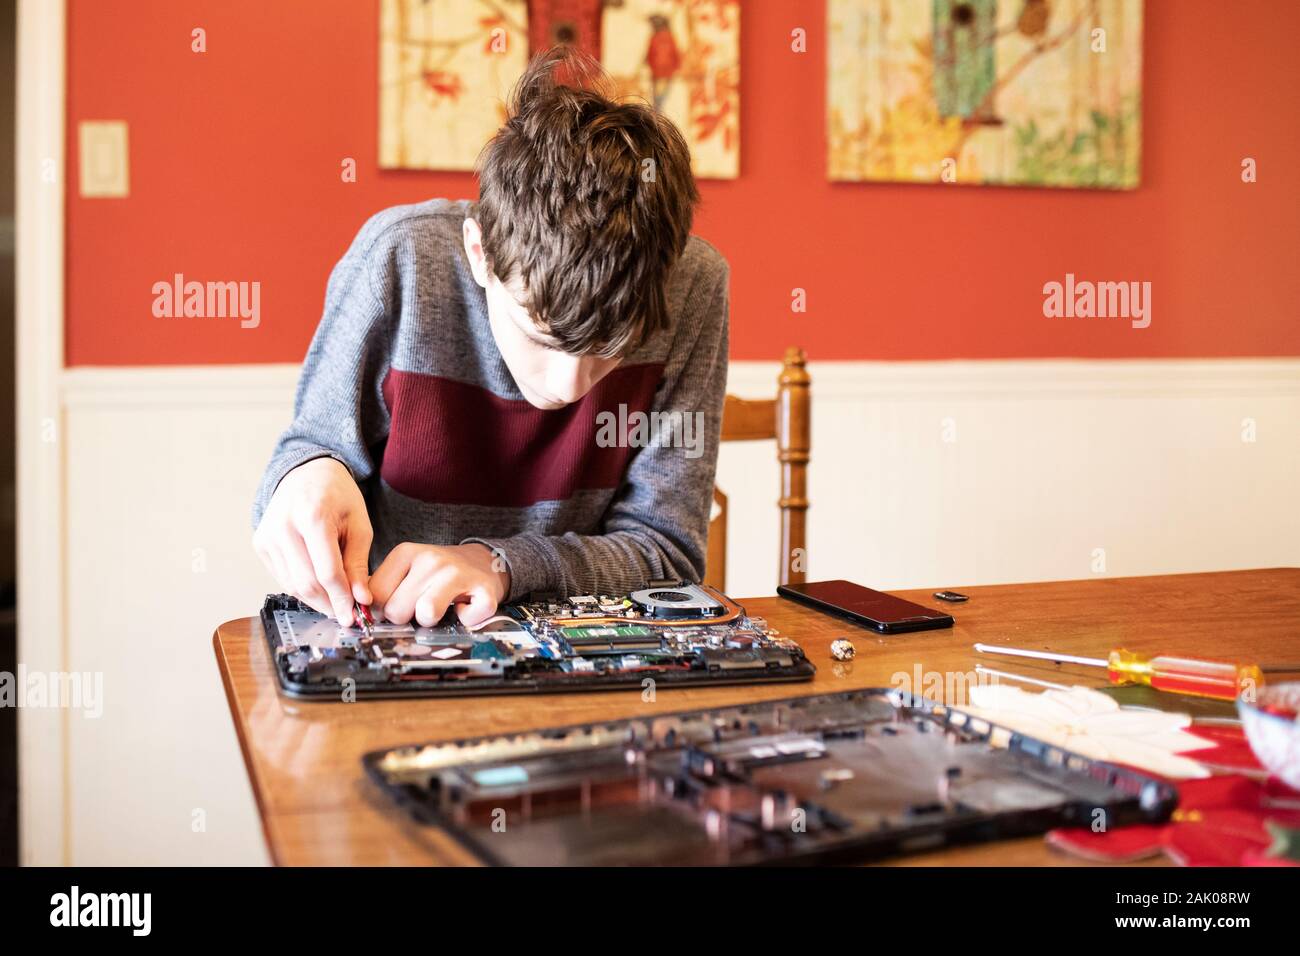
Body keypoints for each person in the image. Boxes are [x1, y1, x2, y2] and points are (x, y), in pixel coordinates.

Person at [251, 47, 729, 631]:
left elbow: (668, 553)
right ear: (480, 253)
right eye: (542, 337)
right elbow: (303, 456)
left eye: (610, 346)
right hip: (396, 638)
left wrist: (500, 565)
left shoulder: (693, 285)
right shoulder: (399, 261)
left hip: (592, 661)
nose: (568, 388)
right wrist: (308, 474)